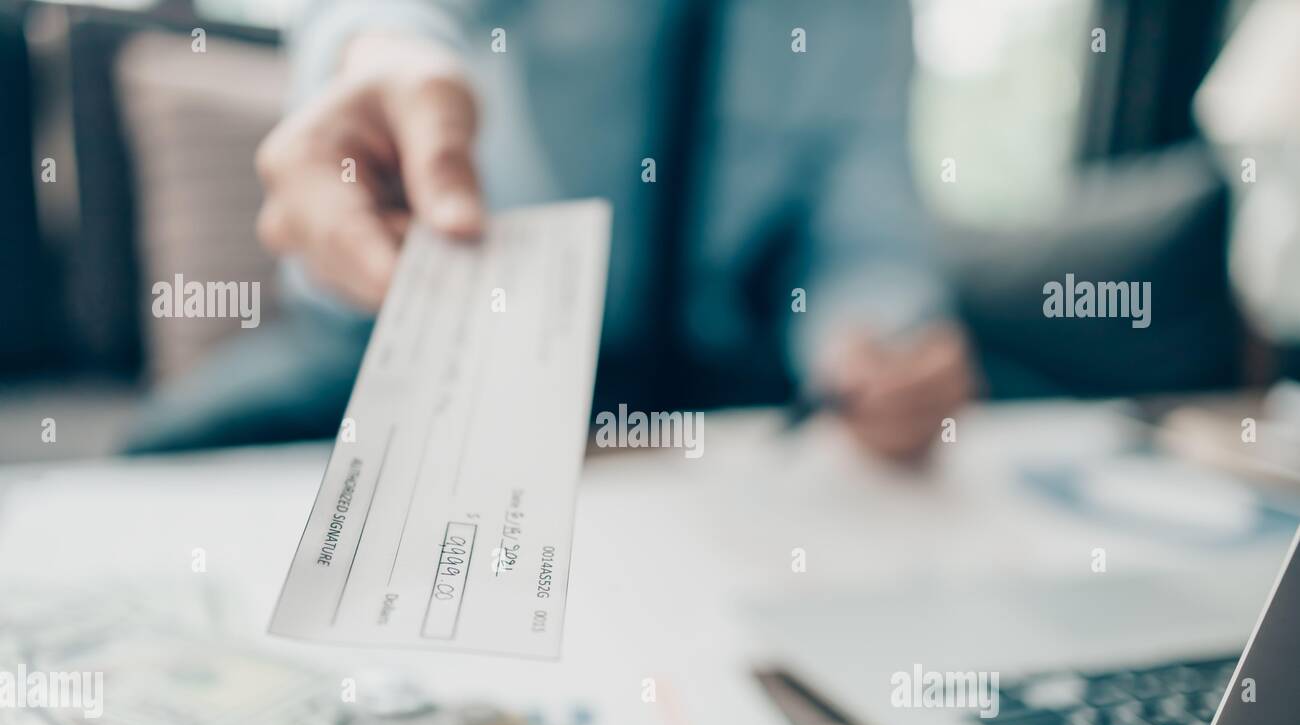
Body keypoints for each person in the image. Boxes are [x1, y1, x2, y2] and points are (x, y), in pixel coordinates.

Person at [126, 0, 973, 461]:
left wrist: (874, 341)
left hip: (701, 372)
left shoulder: (867, 17)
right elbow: (391, 16)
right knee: (164, 460)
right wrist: (375, 56)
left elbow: (862, 226)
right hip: (429, 327)